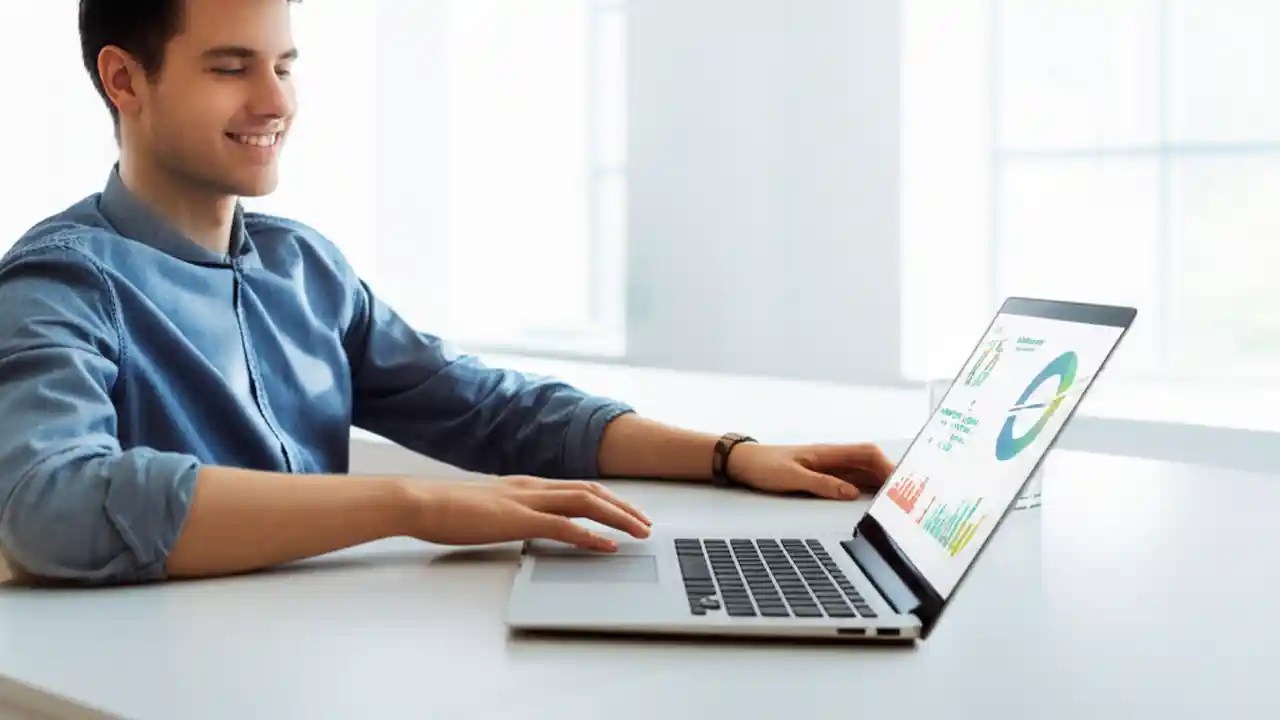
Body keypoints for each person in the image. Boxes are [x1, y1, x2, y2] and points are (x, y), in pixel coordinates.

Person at [0, 0, 894, 587]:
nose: (277, 99)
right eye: (231, 67)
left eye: (286, 63)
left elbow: (494, 410)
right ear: (125, 80)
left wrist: (730, 454)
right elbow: (49, 505)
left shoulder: (304, 266)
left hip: (301, 658)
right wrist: (410, 505)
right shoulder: (62, 280)